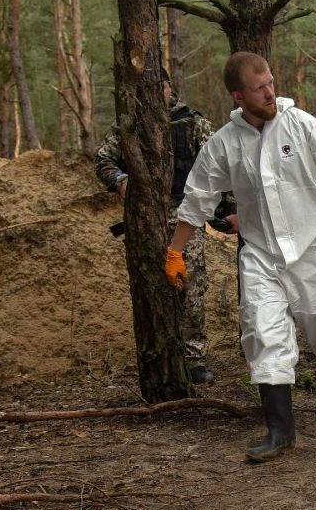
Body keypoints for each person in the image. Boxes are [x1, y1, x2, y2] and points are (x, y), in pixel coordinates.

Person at [168, 52, 316, 464]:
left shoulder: (302, 126)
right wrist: (175, 249)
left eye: (271, 83)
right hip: (261, 254)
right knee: (263, 332)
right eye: (259, 88)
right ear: (239, 94)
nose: (270, 92)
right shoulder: (224, 143)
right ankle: (280, 430)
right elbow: (197, 198)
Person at [95, 71, 221, 383]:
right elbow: (103, 161)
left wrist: (224, 209)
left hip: (186, 216)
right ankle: (158, 357)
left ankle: (193, 360)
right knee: (151, 286)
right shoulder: (128, 126)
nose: (155, 95)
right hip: (144, 220)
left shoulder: (192, 122)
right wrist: (119, 181)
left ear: (168, 88)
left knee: (190, 288)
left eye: (160, 88)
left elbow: (217, 164)